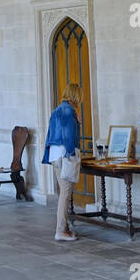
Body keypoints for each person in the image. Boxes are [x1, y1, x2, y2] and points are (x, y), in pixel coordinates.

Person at [42, 84, 82, 242]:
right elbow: (68, 135)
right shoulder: (68, 110)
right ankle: (60, 230)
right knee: (65, 193)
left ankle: (64, 228)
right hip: (63, 155)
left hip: (54, 155)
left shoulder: (58, 109)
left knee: (64, 192)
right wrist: (72, 153)